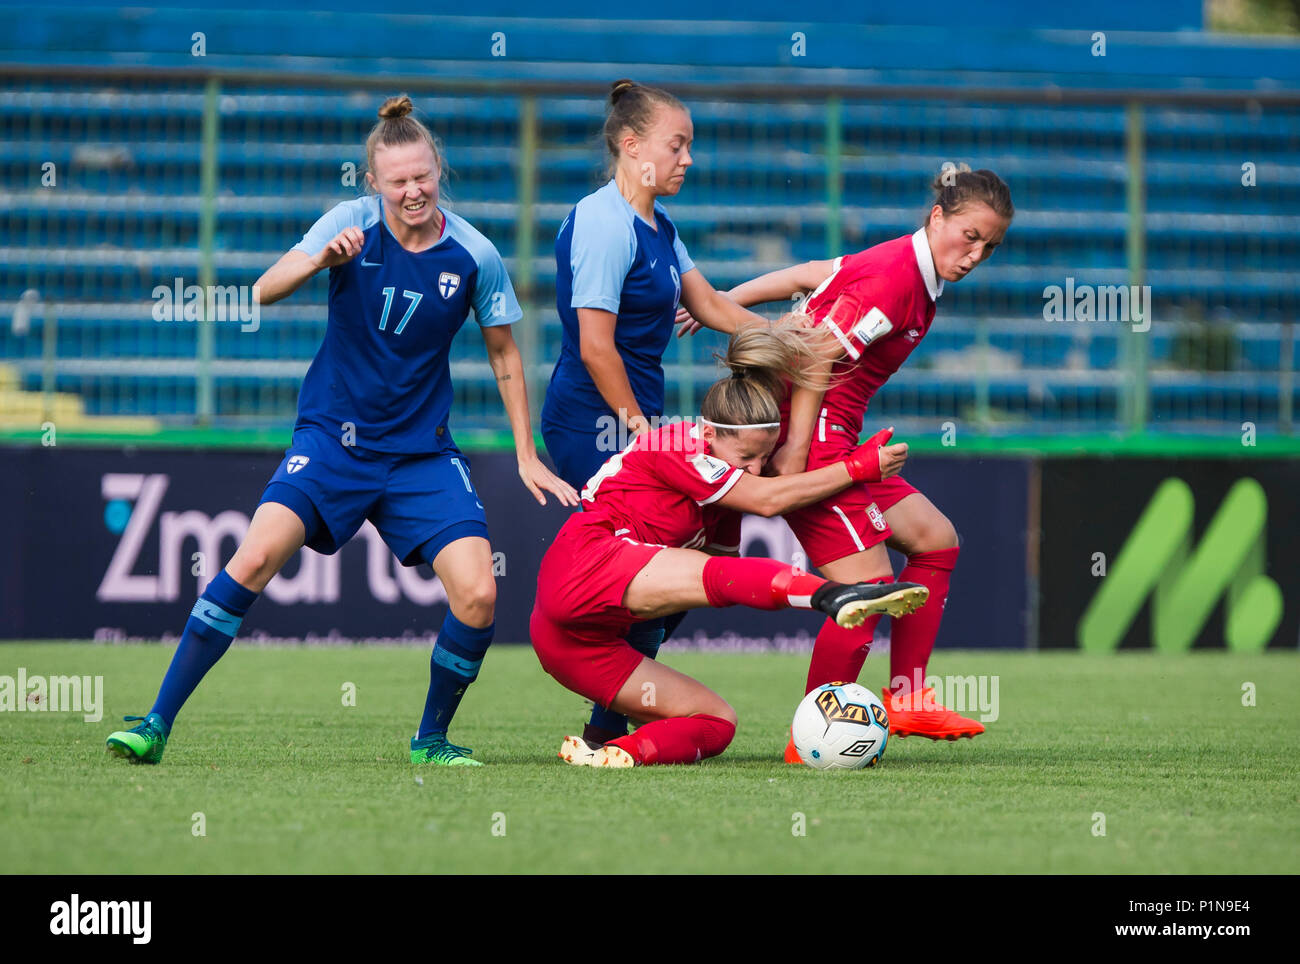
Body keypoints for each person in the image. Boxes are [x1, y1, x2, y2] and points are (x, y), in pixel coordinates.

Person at [106, 94, 576, 768]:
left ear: (437, 169)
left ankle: (430, 741)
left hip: (421, 455)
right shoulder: (349, 225)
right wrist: (321, 259)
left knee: (478, 592)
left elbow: (504, 352)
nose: (413, 191)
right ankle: (155, 723)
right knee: (255, 558)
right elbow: (264, 290)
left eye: (423, 176)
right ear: (372, 182)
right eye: (398, 181)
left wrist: (526, 454)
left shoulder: (475, 253)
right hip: (334, 439)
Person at [682, 167, 1013, 753]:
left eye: (989, 245)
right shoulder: (896, 281)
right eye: (969, 235)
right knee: (867, 586)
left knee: (936, 540)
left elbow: (815, 274)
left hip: (835, 434)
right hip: (818, 436)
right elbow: (813, 358)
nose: (976, 254)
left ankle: (908, 697)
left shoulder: (904, 265)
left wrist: (726, 299)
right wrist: (796, 454)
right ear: (937, 218)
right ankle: (809, 735)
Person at [531, 324, 926, 767]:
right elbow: (764, 505)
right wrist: (857, 469)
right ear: (708, 433)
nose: (756, 470)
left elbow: (725, 570)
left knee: (717, 722)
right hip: (584, 566)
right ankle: (833, 595)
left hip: (578, 647)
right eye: (746, 458)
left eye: (765, 456)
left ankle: (609, 750)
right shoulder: (679, 445)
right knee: (705, 583)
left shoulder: (725, 494)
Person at [540, 78, 766, 748]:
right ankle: (608, 720)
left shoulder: (659, 228)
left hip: (638, 423)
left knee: (673, 576)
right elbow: (594, 344)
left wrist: (789, 336)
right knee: (641, 575)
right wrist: (638, 428)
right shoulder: (605, 224)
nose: (688, 158)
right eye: (678, 144)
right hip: (595, 423)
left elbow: (713, 307)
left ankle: (609, 721)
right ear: (633, 146)